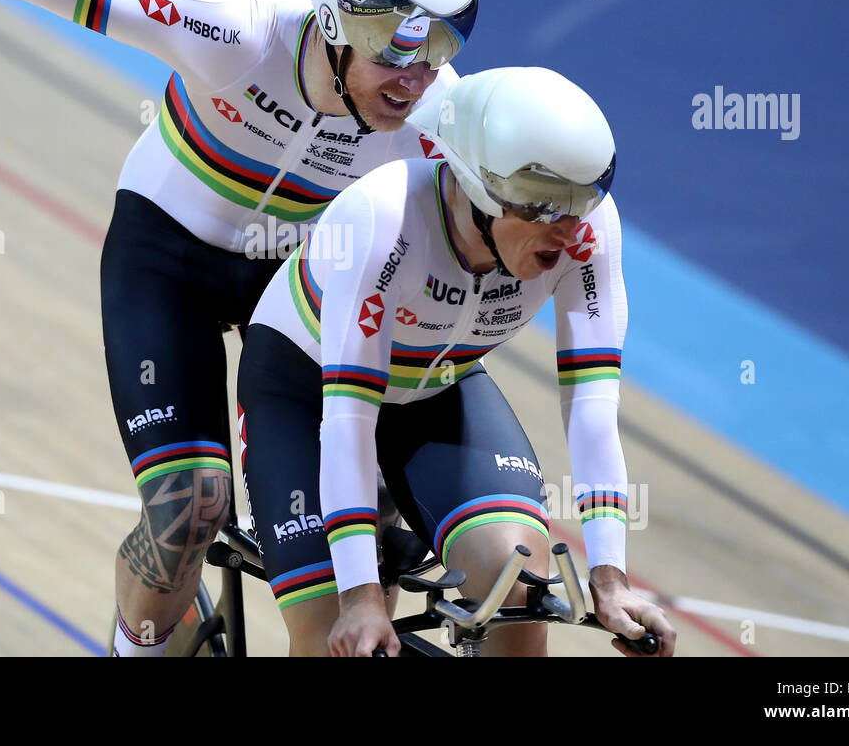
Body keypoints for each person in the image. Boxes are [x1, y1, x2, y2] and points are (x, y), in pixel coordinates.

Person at [0, 0, 479, 655]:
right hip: (166, 256)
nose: (416, 76)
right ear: (336, 20)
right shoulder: (237, 29)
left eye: (441, 44)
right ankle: (137, 648)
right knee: (189, 506)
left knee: (366, 506)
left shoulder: (445, 110)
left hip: (293, 283)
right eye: (395, 46)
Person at [238, 66, 677, 656]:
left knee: (515, 594)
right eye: (545, 204)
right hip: (309, 395)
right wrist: (361, 598)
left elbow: (594, 412)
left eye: (585, 198)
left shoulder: (589, 231)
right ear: (477, 186)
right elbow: (349, 422)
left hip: (436, 388)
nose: (569, 228)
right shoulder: (382, 218)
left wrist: (610, 578)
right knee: (332, 643)